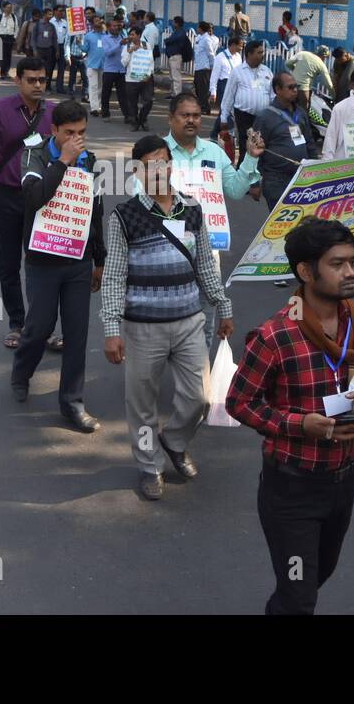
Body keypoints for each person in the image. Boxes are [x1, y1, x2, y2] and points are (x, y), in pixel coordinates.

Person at [226, 216, 354, 615]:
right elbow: (240, 403)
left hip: (344, 478)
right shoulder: (274, 336)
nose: (350, 272)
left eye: (352, 261)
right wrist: (300, 425)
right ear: (306, 272)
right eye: (337, 264)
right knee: (299, 596)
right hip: (293, 488)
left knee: (315, 577)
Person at [101, 134, 233, 501]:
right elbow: (114, 276)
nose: (158, 171)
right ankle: (150, 466)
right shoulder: (124, 216)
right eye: (150, 165)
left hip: (190, 321)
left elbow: (205, 265)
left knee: (200, 398)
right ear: (137, 171)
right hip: (143, 328)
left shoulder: (192, 209)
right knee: (142, 404)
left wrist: (222, 305)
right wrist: (111, 329)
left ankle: (173, 441)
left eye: (164, 162)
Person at [10, 99, 105, 433]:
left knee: (77, 333)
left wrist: (99, 259)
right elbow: (34, 198)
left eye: (81, 133)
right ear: (53, 130)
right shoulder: (34, 155)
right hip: (43, 259)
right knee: (39, 326)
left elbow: (95, 211)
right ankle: (22, 371)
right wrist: (62, 161)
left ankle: (72, 402)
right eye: (69, 133)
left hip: (78, 260)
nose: (76, 140)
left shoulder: (89, 161)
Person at [163, 91, 263, 348]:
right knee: (167, 320)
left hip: (208, 250)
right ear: (171, 118)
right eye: (185, 115)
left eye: (196, 115)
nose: (191, 120)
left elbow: (235, 190)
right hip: (167, 250)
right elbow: (140, 197)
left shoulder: (214, 152)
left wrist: (251, 158)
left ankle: (199, 369)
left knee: (206, 319)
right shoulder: (156, 151)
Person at [0, 59, 55, 349]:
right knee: (9, 265)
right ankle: (17, 324)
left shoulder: (53, 113)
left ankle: (42, 326)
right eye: (31, 80)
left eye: (42, 80)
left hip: (43, 199)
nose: (37, 85)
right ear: (17, 81)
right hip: (6, 196)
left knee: (43, 265)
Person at [254, 72, 318, 212]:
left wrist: (317, 169)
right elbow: (254, 152)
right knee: (281, 222)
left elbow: (309, 143)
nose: (295, 90)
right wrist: (254, 183)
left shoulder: (300, 113)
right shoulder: (265, 117)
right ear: (278, 90)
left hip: (301, 178)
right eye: (290, 87)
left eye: (296, 86)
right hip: (276, 181)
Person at [219, 39, 275, 165]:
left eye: (262, 52)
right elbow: (228, 96)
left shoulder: (266, 71)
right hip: (244, 116)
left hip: (263, 117)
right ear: (249, 54)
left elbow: (272, 95)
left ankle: (258, 173)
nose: (262, 55)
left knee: (261, 147)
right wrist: (223, 118)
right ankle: (242, 173)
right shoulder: (237, 72)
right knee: (246, 148)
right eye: (259, 53)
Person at [123, 26, 156, 132]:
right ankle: (135, 122)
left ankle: (142, 119)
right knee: (132, 103)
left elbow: (150, 60)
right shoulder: (127, 46)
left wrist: (150, 73)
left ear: (139, 35)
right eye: (130, 34)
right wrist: (130, 51)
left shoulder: (146, 45)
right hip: (131, 79)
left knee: (148, 100)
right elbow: (123, 63)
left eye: (133, 34)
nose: (131, 36)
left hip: (145, 78)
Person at [210, 34, 243, 139]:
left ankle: (214, 134)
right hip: (223, 86)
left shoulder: (238, 57)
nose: (241, 48)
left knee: (224, 112)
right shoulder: (220, 57)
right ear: (233, 45)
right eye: (240, 45)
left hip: (235, 85)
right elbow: (214, 75)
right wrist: (213, 91)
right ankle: (230, 133)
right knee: (228, 110)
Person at [99, 15, 129, 122]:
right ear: (108, 27)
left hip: (121, 70)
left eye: (117, 26)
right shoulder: (104, 39)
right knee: (106, 93)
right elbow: (108, 53)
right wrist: (119, 44)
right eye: (114, 26)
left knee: (123, 94)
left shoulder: (122, 37)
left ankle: (127, 116)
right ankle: (105, 114)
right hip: (109, 70)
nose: (116, 28)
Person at [80, 14, 107, 117]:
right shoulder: (88, 35)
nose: (98, 22)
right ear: (92, 24)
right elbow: (85, 49)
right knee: (93, 86)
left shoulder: (106, 35)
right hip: (91, 64)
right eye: (96, 20)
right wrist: (79, 44)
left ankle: (98, 106)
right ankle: (94, 108)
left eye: (99, 20)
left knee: (100, 87)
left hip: (104, 65)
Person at [191, 21, 218, 114]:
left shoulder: (207, 39)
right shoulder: (199, 38)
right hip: (198, 66)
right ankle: (201, 105)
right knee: (198, 87)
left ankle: (205, 107)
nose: (197, 29)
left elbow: (211, 54)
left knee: (204, 89)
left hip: (205, 68)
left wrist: (212, 67)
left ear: (201, 29)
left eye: (198, 27)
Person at [162, 16, 192, 97]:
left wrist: (167, 40)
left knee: (176, 76)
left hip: (176, 56)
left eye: (174, 22)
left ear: (177, 23)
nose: (172, 23)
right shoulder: (177, 32)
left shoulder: (180, 33)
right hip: (172, 56)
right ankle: (173, 93)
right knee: (172, 76)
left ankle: (177, 95)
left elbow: (171, 40)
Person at [33, 8, 59, 90]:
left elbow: (54, 39)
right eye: (49, 14)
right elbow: (33, 38)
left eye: (51, 15)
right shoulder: (38, 25)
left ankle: (47, 86)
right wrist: (34, 50)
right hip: (39, 50)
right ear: (44, 14)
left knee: (49, 69)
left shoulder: (52, 26)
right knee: (38, 68)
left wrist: (57, 50)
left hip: (49, 50)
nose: (50, 16)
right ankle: (37, 85)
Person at [0, 1, 19, 78]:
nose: (9, 9)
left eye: (10, 8)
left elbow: (16, 28)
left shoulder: (14, 17)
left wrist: (14, 37)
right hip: (1, 38)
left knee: (8, 56)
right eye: (8, 7)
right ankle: (2, 73)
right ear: (4, 8)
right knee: (2, 56)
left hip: (10, 38)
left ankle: (6, 71)